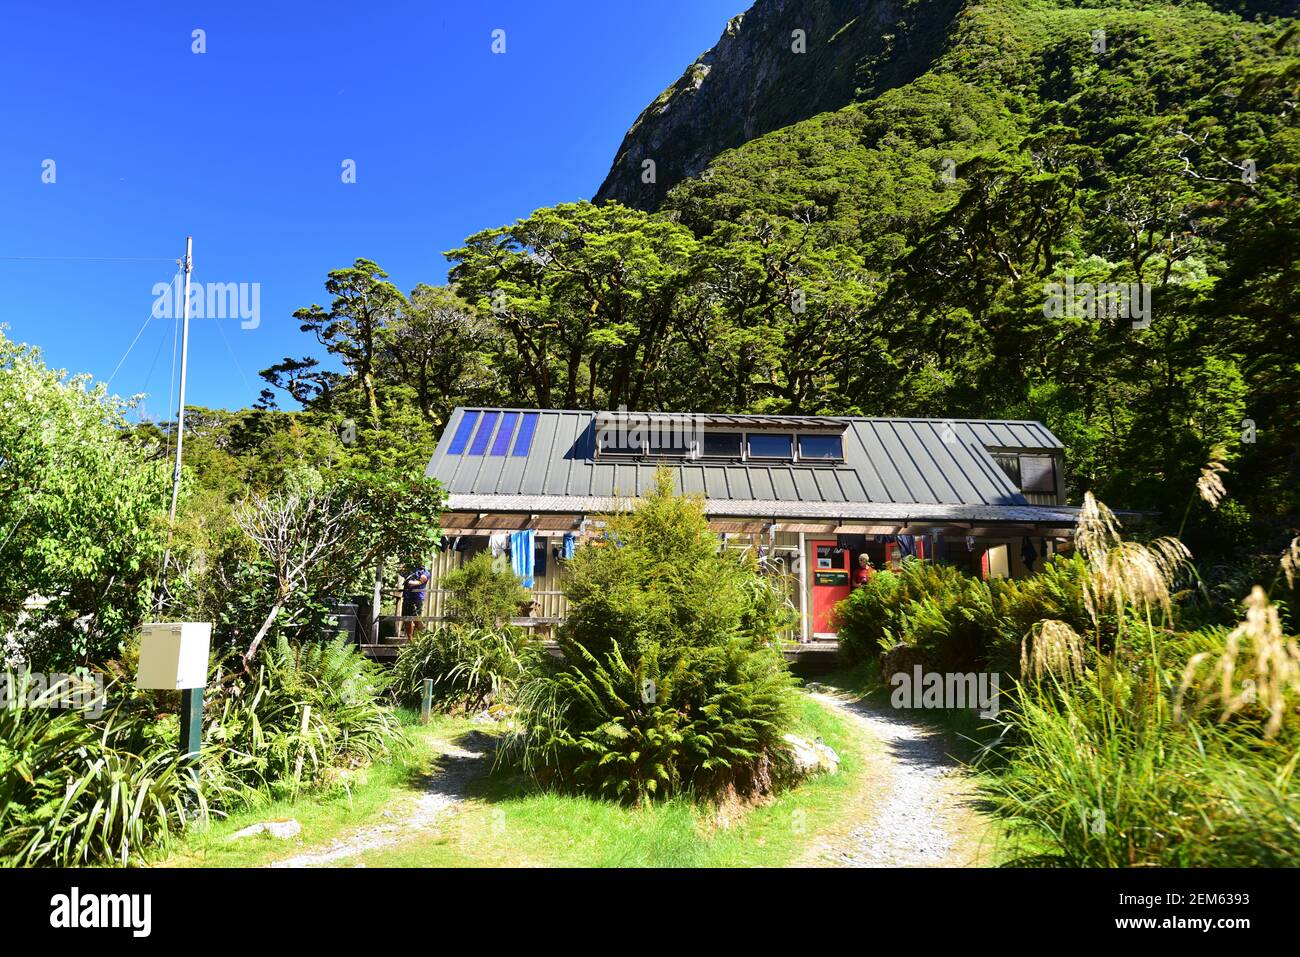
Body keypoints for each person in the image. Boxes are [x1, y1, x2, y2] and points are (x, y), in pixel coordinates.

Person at [401, 561, 430, 640]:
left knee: (416, 618)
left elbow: (420, 581)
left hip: (417, 598)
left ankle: (424, 635)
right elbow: (401, 572)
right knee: (406, 619)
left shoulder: (425, 572)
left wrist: (412, 582)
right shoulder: (410, 570)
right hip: (407, 596)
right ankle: (410, 640)